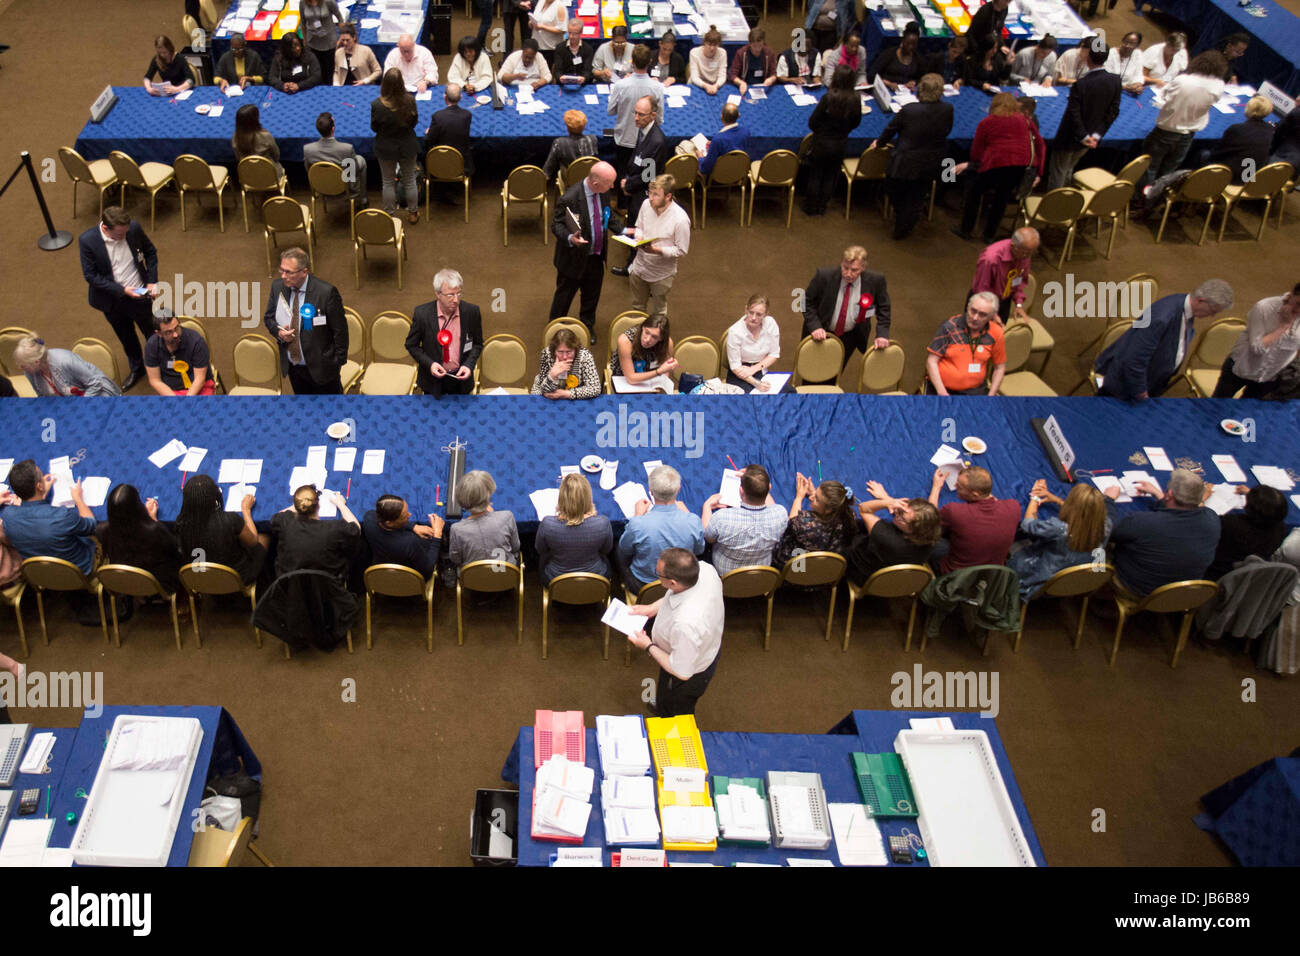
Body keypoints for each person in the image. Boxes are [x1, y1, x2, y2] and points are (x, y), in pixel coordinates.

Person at [1094, 279, 1234, 401]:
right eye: (1213, 310)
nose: (1212, 316)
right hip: (1125, 389)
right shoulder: (1162, 317)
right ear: (1201, 300)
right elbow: (1134, 360)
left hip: (1150, 381)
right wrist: (1141, 393)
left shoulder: (1186, 309)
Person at [625, 548, 723, 717]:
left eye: (658, 574)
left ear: (672, 582)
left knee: (677, 710)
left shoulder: (686, 624)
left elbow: (681, 672)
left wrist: (647, 645)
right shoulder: (705, 569)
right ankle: (662, 704)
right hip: (678, 650)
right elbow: (675, 595)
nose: (657, 575)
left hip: (689, 671)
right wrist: (652, 608)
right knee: (664, 693)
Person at [78, 205, 158, 389]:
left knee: (152, 333)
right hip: (112, 301)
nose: (125, 236)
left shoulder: (133, 229)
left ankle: (160, 365)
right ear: (105, 228)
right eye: (120, 234)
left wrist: (152, 281)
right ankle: (137, 368)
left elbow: (151, 252)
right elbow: (91, 276)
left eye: (126, 232)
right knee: (126, 337)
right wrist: (122, 290)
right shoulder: (88, 241)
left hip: (140, 295)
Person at [1109, 469, 1219, 596]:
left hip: (1137, 589)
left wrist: (1108, 500)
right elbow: (1181, 513)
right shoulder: (1212, 519)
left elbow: (1109, 531)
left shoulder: (1144, 522)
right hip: (1180, 594)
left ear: (1170, 494)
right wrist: (1159, 494)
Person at [549, 161, 625, 341]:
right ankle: (554, 328)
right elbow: (557, 225)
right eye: (610, 183)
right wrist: (570, 238)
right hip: (573, 258)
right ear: (596, 183)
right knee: (564, 296)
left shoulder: (603, 192)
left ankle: (587, 325)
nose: (613, 186)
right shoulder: (570, 197)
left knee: (592, 295)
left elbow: (608, 215)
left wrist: (623, 230)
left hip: (596, 256)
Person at [873, 72, 953, 239]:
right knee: (917, 195)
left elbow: (890, 130)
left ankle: (903, 220)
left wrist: (879, 144)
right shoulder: (947, 109)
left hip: (906, 161)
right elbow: (946, 131)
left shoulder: (909, 110)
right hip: (931, 162)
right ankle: (907, 222)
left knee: (892, 187)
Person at [954, 93, 1043, 241]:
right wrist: (1039, 171)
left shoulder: (987, 122)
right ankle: (989, 234)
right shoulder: (1025, 120)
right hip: (1018, 166)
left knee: (975, 193)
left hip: (994, 164)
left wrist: (972, 164)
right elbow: (1039, 144)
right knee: (1001, 198)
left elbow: (976, 152)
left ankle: (966, 229)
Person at [262, 247, 349, 394]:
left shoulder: (326, 293)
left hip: (323, 370)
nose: (283, 276)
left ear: (304, 271)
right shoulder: (278, 287)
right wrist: (279, 333)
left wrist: (335, 363)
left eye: (288, 272)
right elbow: (269, 318)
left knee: (332, 412)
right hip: (294, 367)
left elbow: (340, 331)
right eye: (281, 270)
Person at [1008, 480, 1114, 599]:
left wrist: (1035, 497)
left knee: (1011, 542)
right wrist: (1057, 500)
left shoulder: (1059, 529)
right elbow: (1086, 514)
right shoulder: (1106, 525)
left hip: (1044, 582)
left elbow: (1028, 524)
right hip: (1075, 580)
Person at [1140, 51, 1228, 185]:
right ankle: (1158, 199)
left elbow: (1164, 95)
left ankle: (1142, 198)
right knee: (1169, 170)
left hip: (1166, 132)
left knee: (1150, 166)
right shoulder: (1219, 85)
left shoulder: (1183, 80)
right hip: (1187, 136)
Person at [0, 461, 99, 576]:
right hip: (79, 571)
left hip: (42, 575)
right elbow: (91, 526)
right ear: (39, 486)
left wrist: (40, 495)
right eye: (41, 476)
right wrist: (78, 499)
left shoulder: (7, 516)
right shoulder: (62, 516)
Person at [801, 245, 891, 370]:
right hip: (821, 333)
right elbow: (805, 301)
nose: (848, 274)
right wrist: (815, 326)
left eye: (854, 270)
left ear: (863, 268)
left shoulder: (876, 281)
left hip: (850, 336)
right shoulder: (824, 276)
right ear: (841, 263)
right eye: (845, 268)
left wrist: (882, 333)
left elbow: (884, 307)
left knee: (836, 370)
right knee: (812, 370)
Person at [617, 466, 704, 592]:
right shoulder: (693, 521)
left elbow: (625, 549)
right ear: (679, 490)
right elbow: (699, 550)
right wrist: (688, 515)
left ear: (651, 492)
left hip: (642, 583)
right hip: (681, 582)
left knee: (616, 550)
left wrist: (636, 517)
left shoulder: (638, 524)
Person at [1047, 44, 1121, 190]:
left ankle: (1053, 207)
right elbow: (1113, 112)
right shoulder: (1115, 81)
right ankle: (1066, 198)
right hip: (1091, 138)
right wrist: (1096, 135)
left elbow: (1073, 114)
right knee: (1068, 168)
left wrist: (1083, 136)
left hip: (1071, 138)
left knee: (1058, 172)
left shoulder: (1081, 84)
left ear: (1088, 58)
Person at [175, 474, 267, 586]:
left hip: (201, 576)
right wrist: (246, 510)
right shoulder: (230, 520)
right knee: (264, 537)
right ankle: (265, 585)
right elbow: (253, 541)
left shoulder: (181, 523)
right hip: (236, 578)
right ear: (215, 496)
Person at [929, 465, 1021, 575]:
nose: (955, 486)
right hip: (991, 574)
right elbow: (993, 500)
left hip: (955, 575)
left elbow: (929, 518)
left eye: (960, 486)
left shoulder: (955, 511)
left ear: (975, 495)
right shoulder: (1014, 506)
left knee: (927, 536)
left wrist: (936, 487)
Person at [1213, 284, 1300, 398]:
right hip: (1241, 369)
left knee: (1248, 412)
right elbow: (1257, 348)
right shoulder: (1265, 308)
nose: (1299, 310)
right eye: (1298, 304)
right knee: (1216, 407)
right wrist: (1283, 327)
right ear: (1292, 293)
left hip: (1268, 377)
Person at [848, 481, 942, 585]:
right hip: (894, 578)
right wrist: (936, 487)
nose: (897, 513)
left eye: (903, 517)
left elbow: (864, 509)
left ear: (914, 530)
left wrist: (888, 502)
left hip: (864, 573)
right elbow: (930, 513)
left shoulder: (887, 537)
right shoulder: (930, 533)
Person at [407, 269, 483, 397]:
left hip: (461, 381)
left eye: (458, 294)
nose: (455, 300)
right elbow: (411, 345)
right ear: (438, 294)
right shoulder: (422, 314)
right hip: (432, 382)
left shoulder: (471, 312)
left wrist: (468, 365)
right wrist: (430, 364)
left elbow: (477, 344)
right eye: (450, 295)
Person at [701, 464, 787, 575]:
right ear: (769, 488)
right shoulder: (780, 514)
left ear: (741, 491)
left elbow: (709, 538)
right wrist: (758, 482)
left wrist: (706, 506)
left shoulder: (722, 518)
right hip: (761, 572)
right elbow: (771, 504)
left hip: (726, 573)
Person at [625, 174, 690, 321]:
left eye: (656, 194)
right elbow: (639, 226)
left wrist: (656, 250)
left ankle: (656, 340)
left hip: (662, 274)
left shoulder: (680, 219)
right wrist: (639, 237)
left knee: (659, 312)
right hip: (639, 267)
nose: (651, 198)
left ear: (668, 197)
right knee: (637, 308)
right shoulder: (646, 204)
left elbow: (681, 250)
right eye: (650, 193)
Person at [99, 484, 182, 594]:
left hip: (125, 581)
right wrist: (153, 521)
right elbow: (174, 548)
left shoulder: (103, 531)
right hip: (160, 583)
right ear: (137, 506)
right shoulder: (155, 532)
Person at [803, 64, 862, 216]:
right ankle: (822, 206)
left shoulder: (828, 98)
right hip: (840, 143)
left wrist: (822, 131)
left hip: (822, 143)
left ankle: (810, 207)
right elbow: (856, 122)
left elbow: (813, 122)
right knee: (830, 175)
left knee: (816, 174)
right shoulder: (856, 98)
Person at [272, 485, 361, 582]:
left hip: (290, 590)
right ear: (319, 505)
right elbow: (356, 529)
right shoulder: (333, 529)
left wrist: (300, 500)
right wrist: (341, 504)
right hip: (329, 590)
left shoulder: (284, 522)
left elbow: (277, 516)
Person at [925, 292, 1007, 396]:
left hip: (975, 391)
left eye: (982, 314)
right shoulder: (949, 328)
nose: (975, 317)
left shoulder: (996, 333)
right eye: (973, 311)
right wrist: (942, 392)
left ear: (991, 317)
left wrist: (990, 396)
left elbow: (999, 368)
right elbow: (931, 362)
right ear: (967, 308)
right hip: (943, 389)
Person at [535, 473, 613, 583]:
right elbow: (606, 550)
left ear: (561, 498)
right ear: (588, 498)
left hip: (556, 579)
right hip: (595, 578)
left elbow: (541, 550)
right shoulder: (602, 523)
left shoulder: (548, 524)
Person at [609, 50, 665, 195]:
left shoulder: (620, 85)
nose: (637, 118)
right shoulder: (657, 87)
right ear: (650, 62)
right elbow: (660, 118)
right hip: (642, 141)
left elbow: (611, 111)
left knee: (624, 171)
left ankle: (622, 205)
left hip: (624, 139)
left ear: (632, 62)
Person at [446, 471, 520, 579]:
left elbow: (455, 559)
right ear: (488, 493)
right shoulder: (506, 517)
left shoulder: (457, 529)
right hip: (505, 576)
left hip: (472, 579)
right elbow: (515, 547)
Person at [1205, 485, 1288, 580]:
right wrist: (1254, 495)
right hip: (1247, 577)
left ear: (1248, 508)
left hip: (1215, 571)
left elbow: (1203, 520)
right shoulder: (1280, 529)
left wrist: (1202, 499)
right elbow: (1269, 508)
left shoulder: (1232, 525)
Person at [773, 473, 857, 566]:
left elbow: (792, 521)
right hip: (826, 568)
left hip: (797, 569)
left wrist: (799, 497)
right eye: (817, 490)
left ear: (828, 510)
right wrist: (815, 493)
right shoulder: (849, 516)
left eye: (816, 499)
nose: (810, 497)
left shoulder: (805, 525)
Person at [615, 93, 668, 239]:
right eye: (635, 113)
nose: (636, 118)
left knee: (638, 231)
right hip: (636, 184)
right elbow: (637, 157)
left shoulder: (657, 142)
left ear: (653, 115)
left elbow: (648, 175)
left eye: (641, 114)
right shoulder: (643, 129)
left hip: (644, 194)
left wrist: (628, 185)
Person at [371, 69, 421, 223]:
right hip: (407, 145)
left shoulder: (377, 105)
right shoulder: (410, 101)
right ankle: (413, 213)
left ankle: (390, 215)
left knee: (387, 182)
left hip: (386, 147)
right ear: (401, 84)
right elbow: (414, 123)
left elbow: (374, 127)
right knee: (410, 180)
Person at [362, 494, 444, 578]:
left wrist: (413, 527)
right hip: (409, 581)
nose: (410, 515)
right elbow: (428, 571)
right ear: (389, 523)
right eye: (404, 516)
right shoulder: (409, 542)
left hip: (380, 571)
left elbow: (374, 515)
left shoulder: (368, 518)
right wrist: (437, 535)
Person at [970, 227, 1040, 322]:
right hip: (982, 302)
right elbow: (982, 289)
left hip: (1004, 300)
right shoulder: (990, 259)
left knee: (998, 334)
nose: (1028, 257)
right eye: (1026, 253)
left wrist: (1018, 304)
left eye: (1031, 253)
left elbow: (1019, 281)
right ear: (1013, 246)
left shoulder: (1024, 254)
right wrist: (992, 314)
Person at [13, 336, 119, 397]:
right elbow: (42, 397)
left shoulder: (65, 361)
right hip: (69, 404)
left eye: (23, 365)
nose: (20, 368)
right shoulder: (29, 372)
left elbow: (95, 383)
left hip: (97, 395)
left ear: (36, 362)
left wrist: (81, 407)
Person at [303, 112, 368, 209]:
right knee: (360, 160)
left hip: (321, 187)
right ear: (333, 128)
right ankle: (363, 199)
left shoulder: (308, 149)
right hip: (345, 188)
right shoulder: (346, 149)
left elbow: (309, 170)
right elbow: (353, 173)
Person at [1208, 96, 1276, 183]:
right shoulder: (1270, 129)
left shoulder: (1237, 129)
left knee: (1202, 154)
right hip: (1249, 177)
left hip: (1230, 176)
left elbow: (1216, 154)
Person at [144, 310, 213, 396]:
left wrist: (186, 402)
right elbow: (155, 380)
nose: (175, 334)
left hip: (198, 386)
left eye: (176, 328)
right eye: (169, 332)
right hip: (170, 390)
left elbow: (200, 379)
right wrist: (175, 399)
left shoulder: (196, 342)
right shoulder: (152, 345)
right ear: (159, 334)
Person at [423, 84, 476, 193]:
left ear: (444, 97)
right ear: (461, 97)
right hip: (462, 164)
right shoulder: (467, 115)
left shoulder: (437, 116)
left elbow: (429, 141)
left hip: (438, 165)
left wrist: (429, 132)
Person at [725, 294, 782, 392]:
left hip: (760, 370)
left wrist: (753, 369)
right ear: (746, 310)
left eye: (759, 314)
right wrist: (756, 383)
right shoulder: (735, 331)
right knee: (751, 398)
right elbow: (735, 366)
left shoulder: (771, 324)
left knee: (787, 392)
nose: (753, 318)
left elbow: (774, 354)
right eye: (751, 313)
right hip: (739, 374)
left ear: (766, 314)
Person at [530, 326, 601, 399]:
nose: (564, 357)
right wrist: (552, 375)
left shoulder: (585, 356)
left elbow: (595, 388)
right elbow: (544, 391)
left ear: (575, 349)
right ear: (554, 351)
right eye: (560, 352)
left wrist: (567, 394)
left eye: (569, 352)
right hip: (547, 390)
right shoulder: (546, 354)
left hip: (575, 393)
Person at [610, 314, 677, 386]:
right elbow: (631, 378)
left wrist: (662, 386)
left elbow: (665, 372)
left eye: (654, 337)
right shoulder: (626, 341)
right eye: (647, 332)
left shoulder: (667, 343)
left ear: (661, 338)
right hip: (624, 380)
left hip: (652, 380)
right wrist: (659, 372)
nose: (647, 340)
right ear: (643, 327)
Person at [695, 103, 750, 178]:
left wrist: (700, 158)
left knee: (685, 146)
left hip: (719, 175)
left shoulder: (718, 139)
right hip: (738, 171)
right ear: (738, 116)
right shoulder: (746, 132)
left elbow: (705, 169)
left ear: (721, 117)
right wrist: (713, 146)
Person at [542, 110, 599, 180]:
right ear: (584, 126)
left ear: (567, 127)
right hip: (589, 178)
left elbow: (548, 168)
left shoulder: (559, 143)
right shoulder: (592, 139)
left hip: (570, 180)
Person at [870, 22, 923, 91]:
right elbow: (872, 75)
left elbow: (922, 77)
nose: (910, 47)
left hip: (906, 93)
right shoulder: (889, 54)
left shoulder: (918, 58)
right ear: (903, 40)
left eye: (913, 44)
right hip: (886, 90)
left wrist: (913, 82)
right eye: (908, 43)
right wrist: (888, 83)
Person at [232, 104, 282, 176]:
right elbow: (276, 155)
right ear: (255, 119)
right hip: (270, 175)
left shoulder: (235, 137)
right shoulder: (265, 136)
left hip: (248, 176)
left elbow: (238, 158)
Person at [300, 0, 344, 79]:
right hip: (313, 41)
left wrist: (342, 37)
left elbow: (340, 18)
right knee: (316, 70)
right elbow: (303, 23)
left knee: (330, 70)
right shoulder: (303, 2)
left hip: (329, 40)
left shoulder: (329, 2)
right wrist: (305, 41)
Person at [730, 27, 778, 95]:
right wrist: (741, 83)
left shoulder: (769, 53)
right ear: (749, 43)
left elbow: (774, 73)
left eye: (760, 45)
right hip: (745, 85)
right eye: (754, 46)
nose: (757, 49)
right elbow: (732, 75)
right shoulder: (741, 53)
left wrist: (770, 79)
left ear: (763, 42)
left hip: (762, 86)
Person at [965, 0, 1010, 64]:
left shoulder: (1004, 9)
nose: (1007, 4)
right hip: (977, 48)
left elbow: (998, 30)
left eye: (1009, 1)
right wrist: (977, 53)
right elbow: (971, 34)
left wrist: (1001, 45)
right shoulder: (984, 12)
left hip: (990, 47)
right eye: (1006, 1)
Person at [553, 20, 594, 86]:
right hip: (564, 84)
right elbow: (557, 70)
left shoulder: (588, 49)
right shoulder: (560, 48)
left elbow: (588, 70)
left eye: (575, 33)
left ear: (581, 32)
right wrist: (560, 77)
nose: (571, 36)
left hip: (582, 84)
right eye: (569, 33)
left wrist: (584, 78)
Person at [688, 28, 728, 94]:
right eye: (709, 44)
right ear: (704, 43)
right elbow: (694, 77)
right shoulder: (694, 53)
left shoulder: (722, 53)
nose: (712, 48)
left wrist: (716, 86)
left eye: (715, 45)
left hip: (716, 85)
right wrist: (706, 86)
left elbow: (722, 76)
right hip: (698, 85)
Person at [529, 0, 567, 64]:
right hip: (536, 46)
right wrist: (531, 23)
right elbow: (536, 19)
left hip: (550, 49)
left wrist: (543, 27)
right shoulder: (540, 2)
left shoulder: (560, 7)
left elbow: (562, 29)